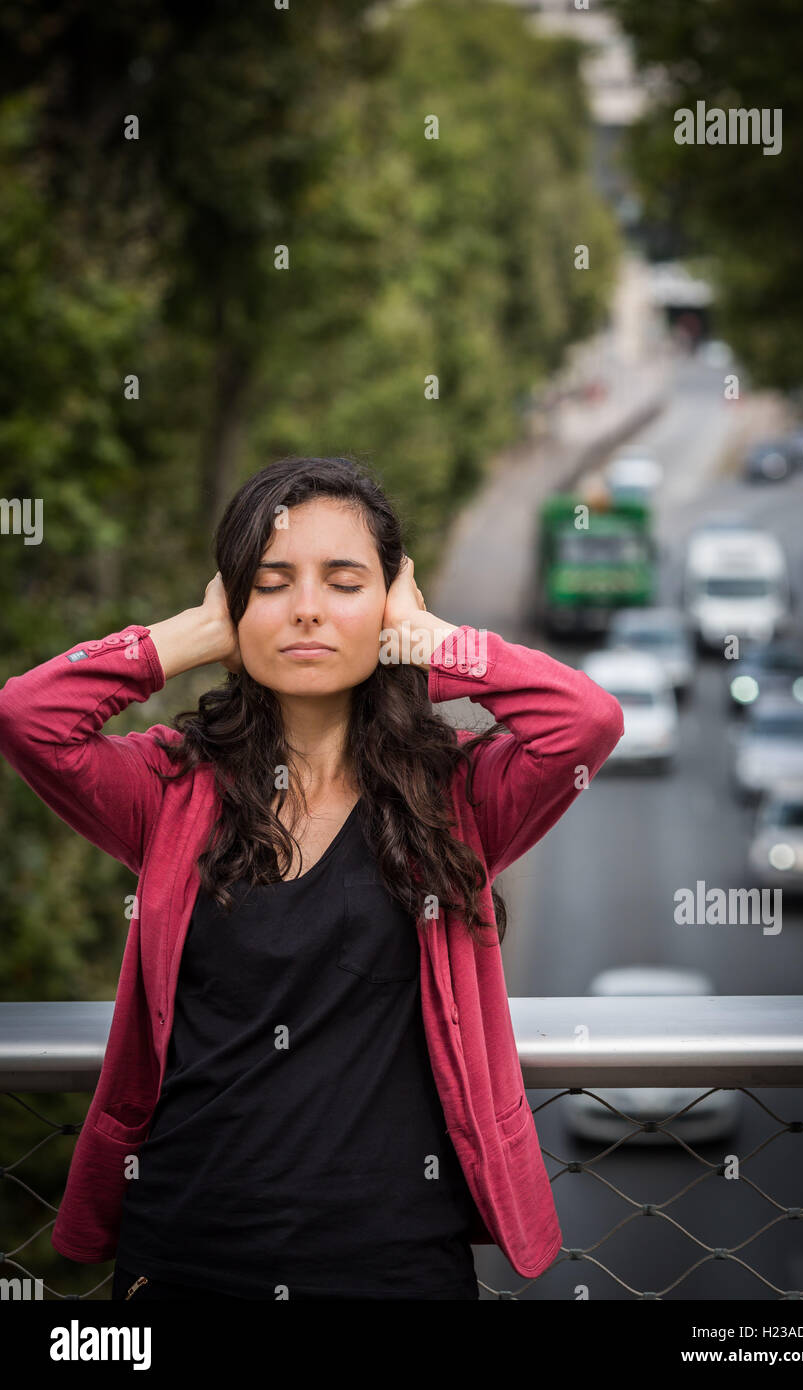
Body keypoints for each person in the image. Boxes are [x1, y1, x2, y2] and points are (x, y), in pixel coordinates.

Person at [0, 455, 624, 1300]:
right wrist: (184, 637)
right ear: (233, 606)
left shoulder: (459, 796)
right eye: (270, 582)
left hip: (395, 1257)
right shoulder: (168, 788)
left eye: (344, 581)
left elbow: (584, 724)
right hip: (188, 1248)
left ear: (392, 600)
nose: (306, 610)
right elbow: (29, 720)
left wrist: (434, 644)